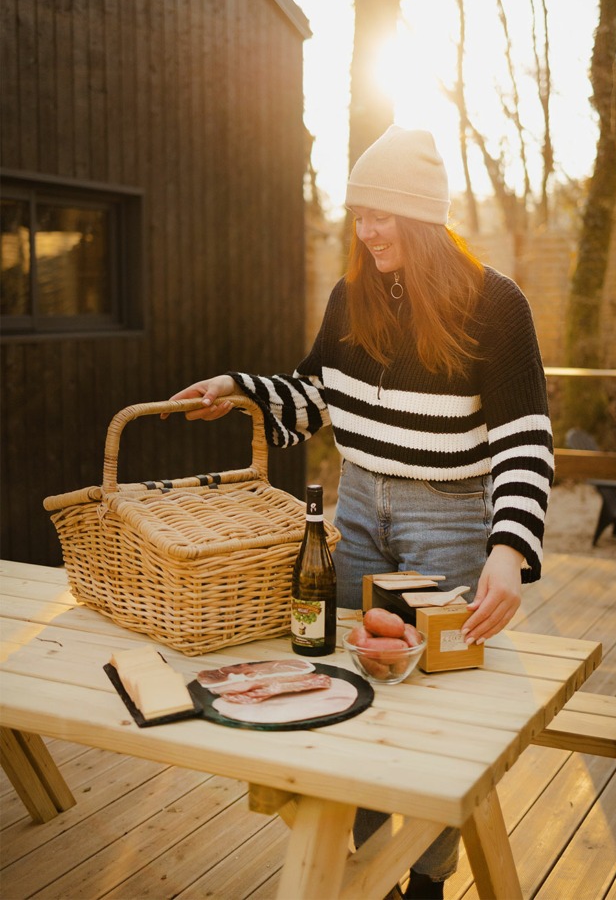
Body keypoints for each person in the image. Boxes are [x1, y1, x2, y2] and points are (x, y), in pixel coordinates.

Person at [167, 125, 554, 899]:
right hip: (358, 507)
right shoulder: (351, 296)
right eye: (359, 214)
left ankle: (426, 879)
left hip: (448, 516)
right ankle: (375, 863)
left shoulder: (494, 303)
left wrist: (508, 550)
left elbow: (523, 437)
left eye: (382, 214)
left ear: (423, 216)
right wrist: (238, 390)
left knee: (438, 698)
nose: (367, 230)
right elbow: (316, 394)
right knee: (355, 682)